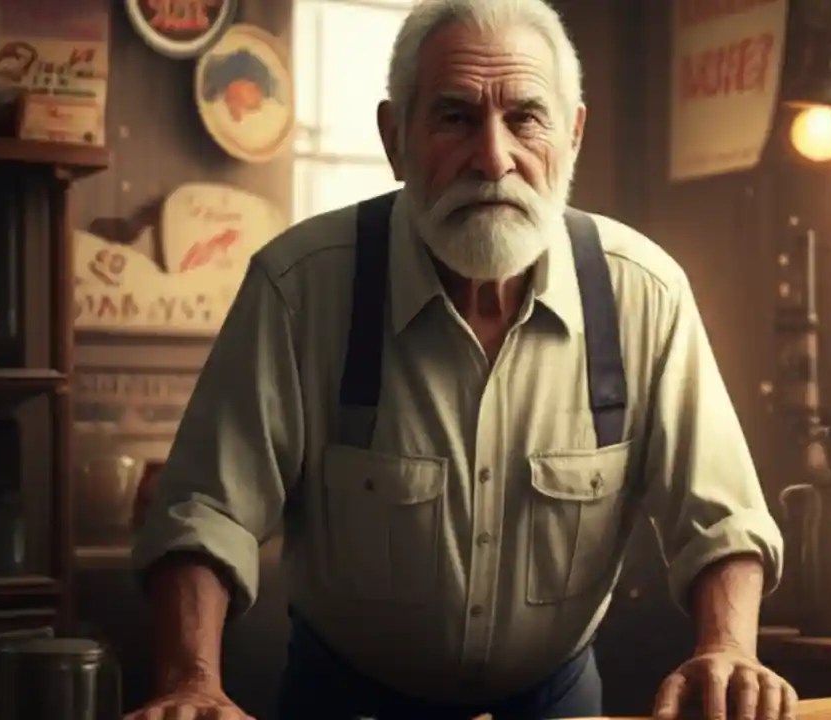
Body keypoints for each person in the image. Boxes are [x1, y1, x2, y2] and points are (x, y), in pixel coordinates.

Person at [126, 0, 795, 718]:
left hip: (555, 695)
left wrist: (729, 646)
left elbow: (721, 519)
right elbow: (206, 513)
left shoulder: (645, 293)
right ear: (396, 138)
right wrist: (191, 681)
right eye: (455, 117)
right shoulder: (300, 289)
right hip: (347, 697)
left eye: (526, 118)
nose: (493, 158)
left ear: (572, 135)